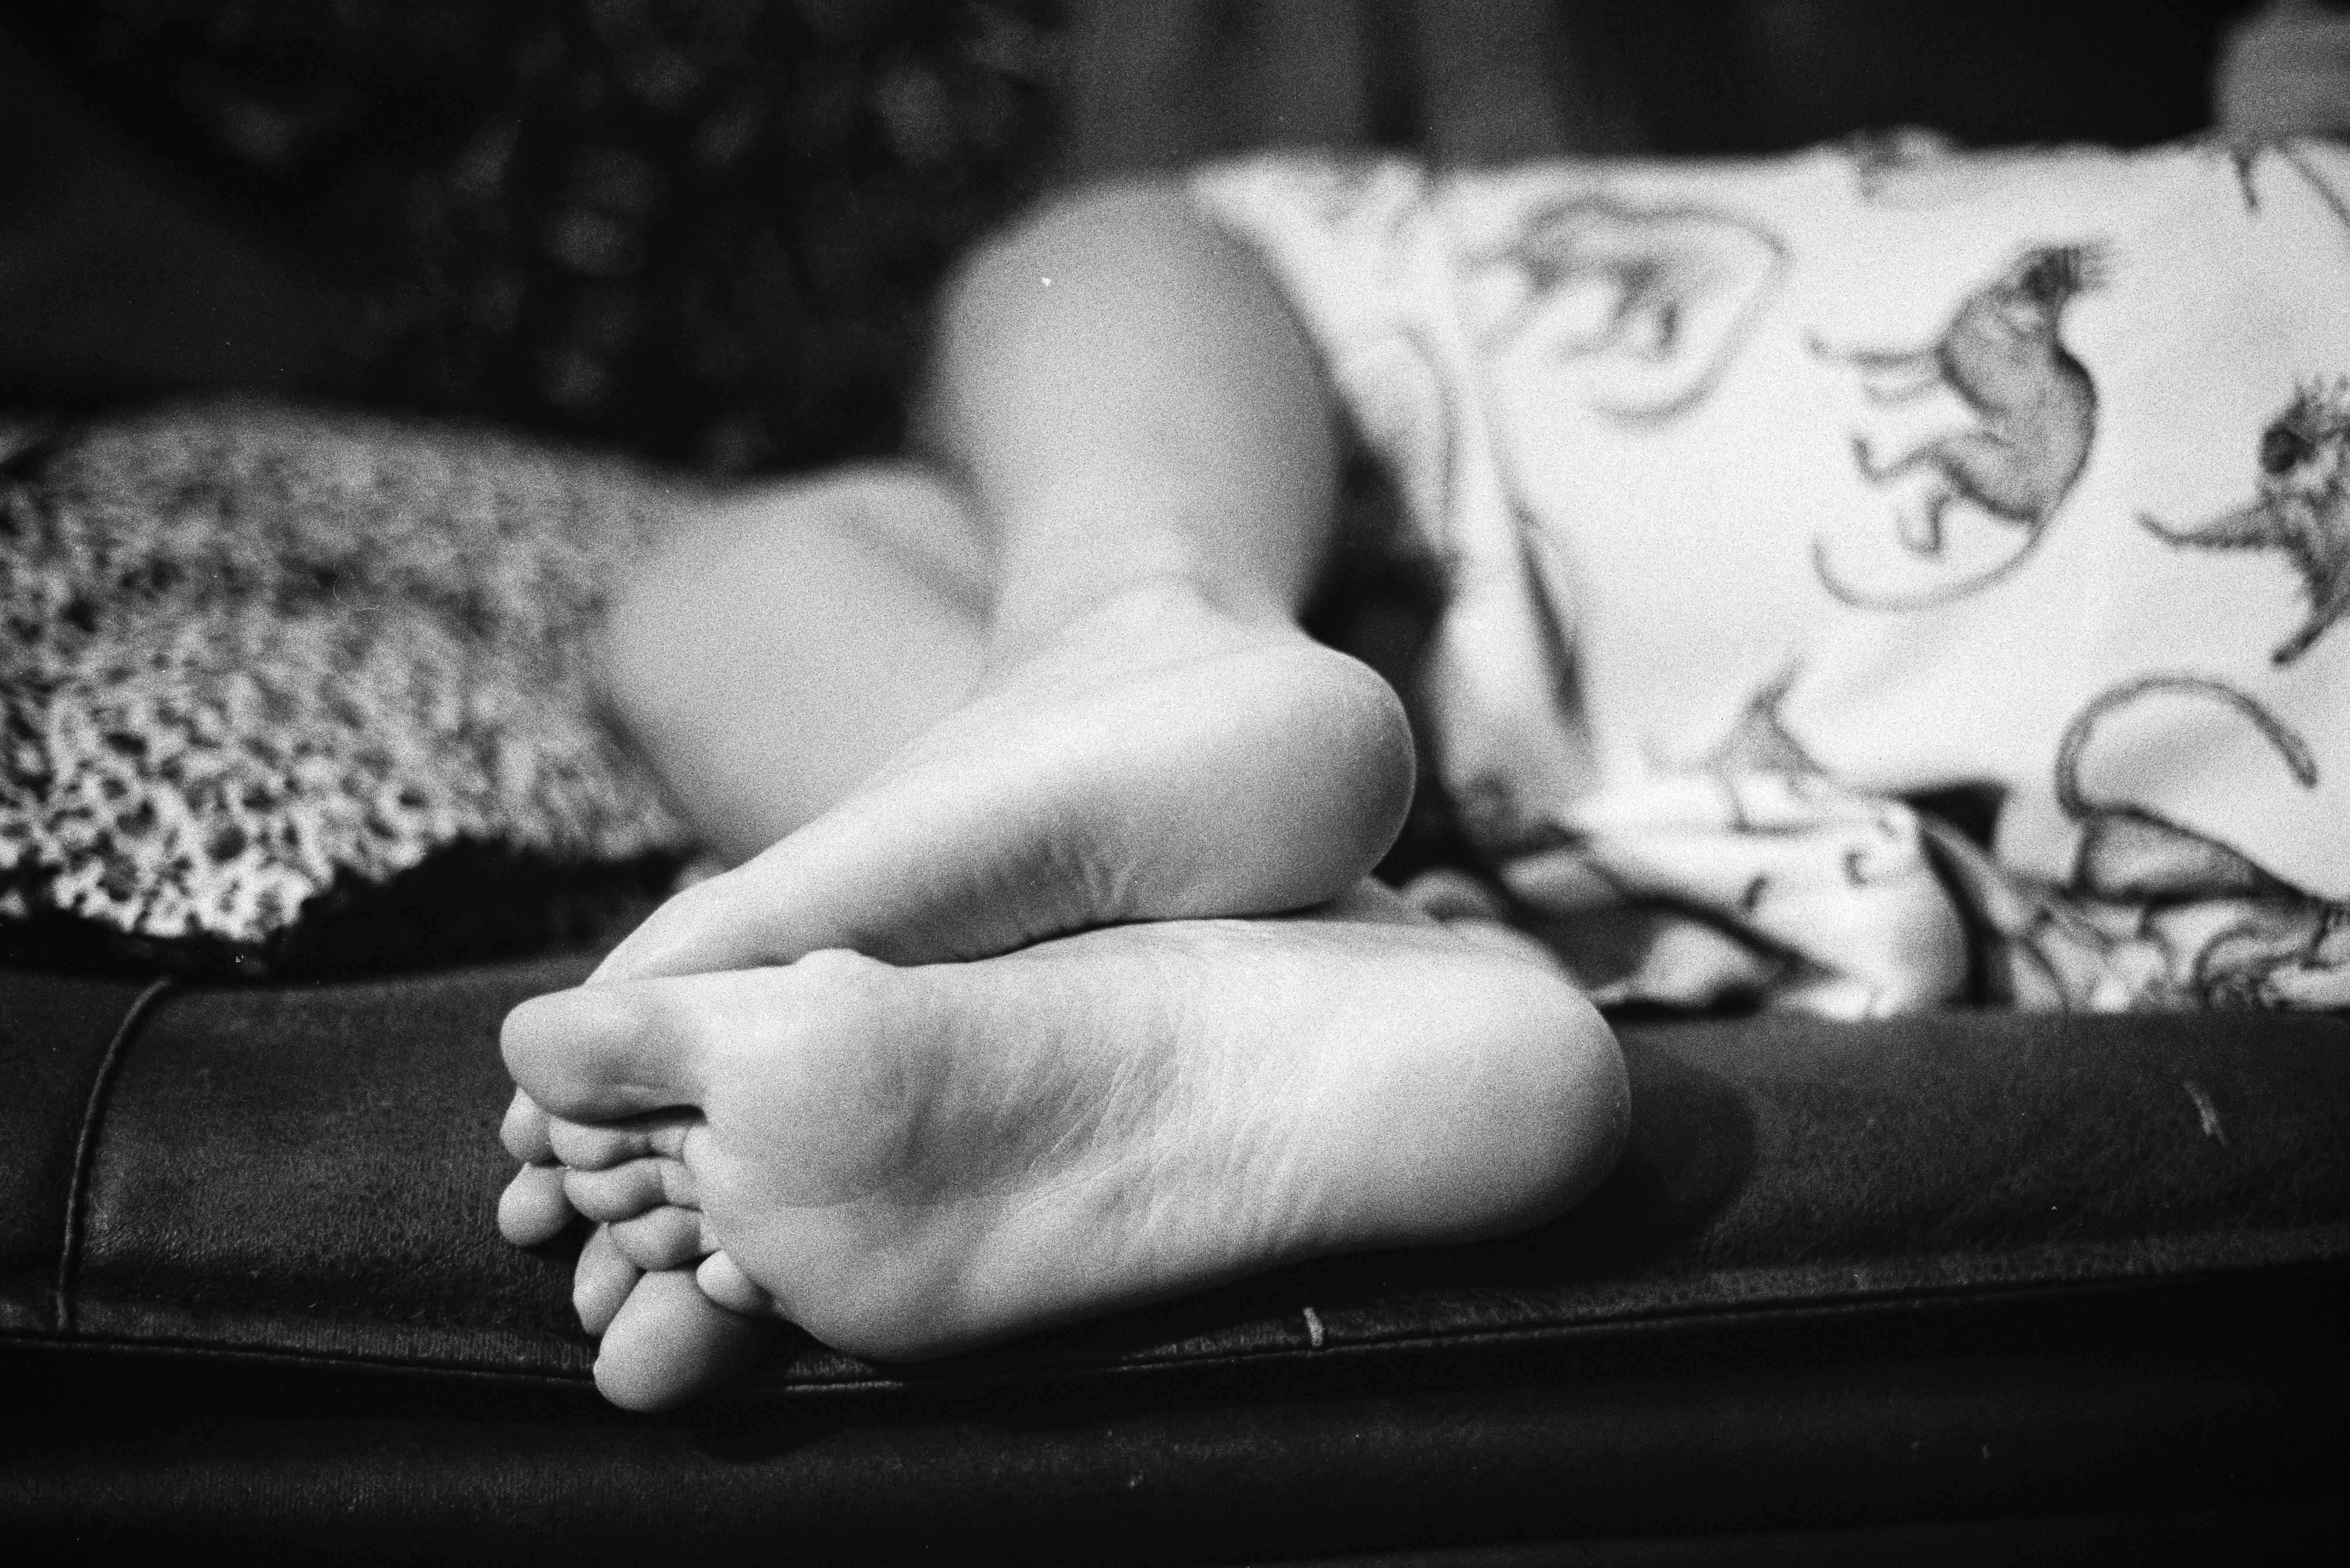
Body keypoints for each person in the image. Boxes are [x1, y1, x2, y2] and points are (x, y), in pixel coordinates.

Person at [497, 114, 2350, 1408]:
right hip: (2149, 756)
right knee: (722, 594)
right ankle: (1270, 911)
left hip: (1953, 387)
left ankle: (1142, 623)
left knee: (1106, 263)